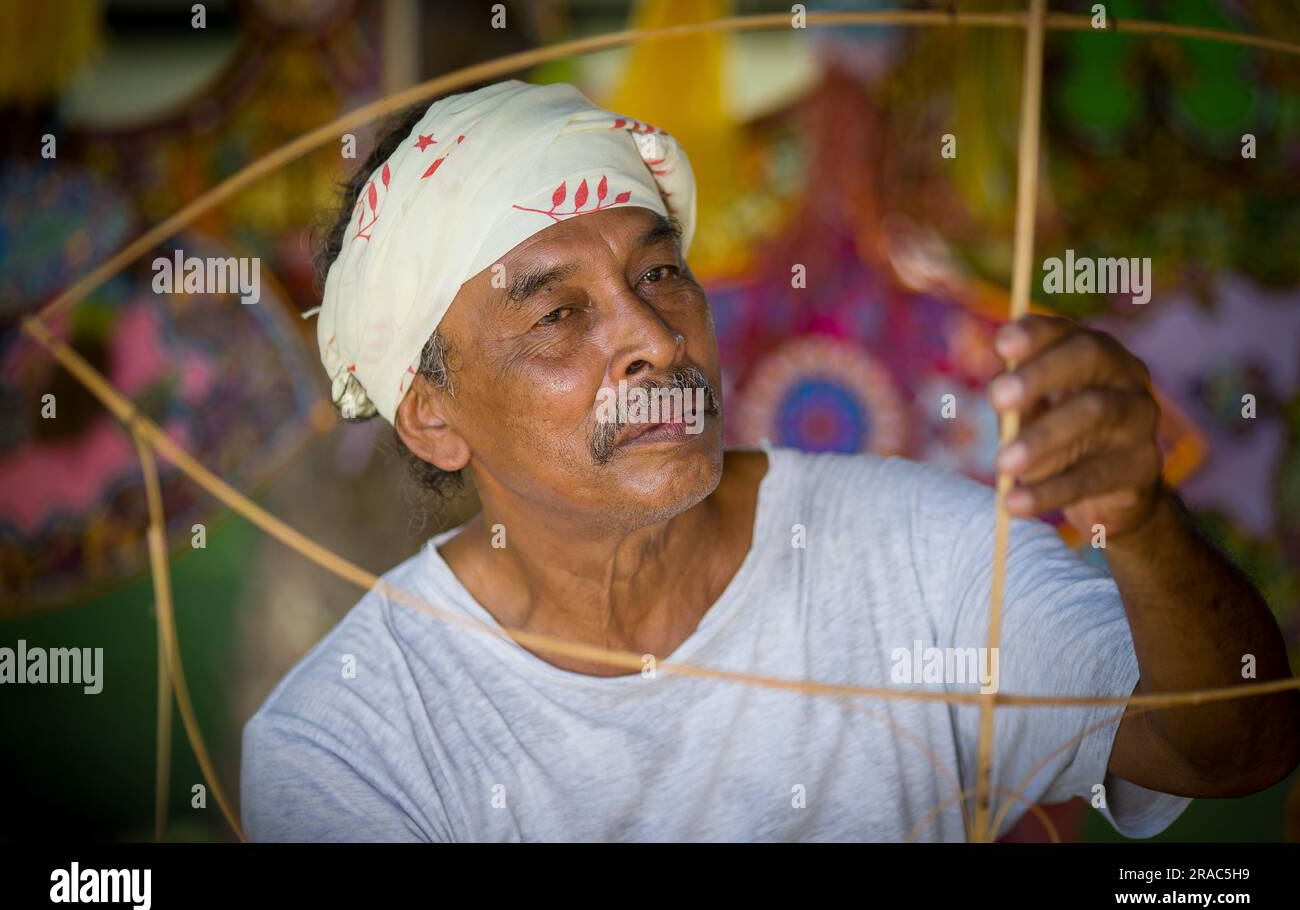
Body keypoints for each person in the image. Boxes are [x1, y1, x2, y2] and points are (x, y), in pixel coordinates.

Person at [240, 80, 1299, 842]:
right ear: (432, 416)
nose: (655, 337)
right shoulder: (350, 741)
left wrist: (1140, 516)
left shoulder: (917, 551)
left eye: (660, 273)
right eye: (560, 311)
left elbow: (1234, 745)